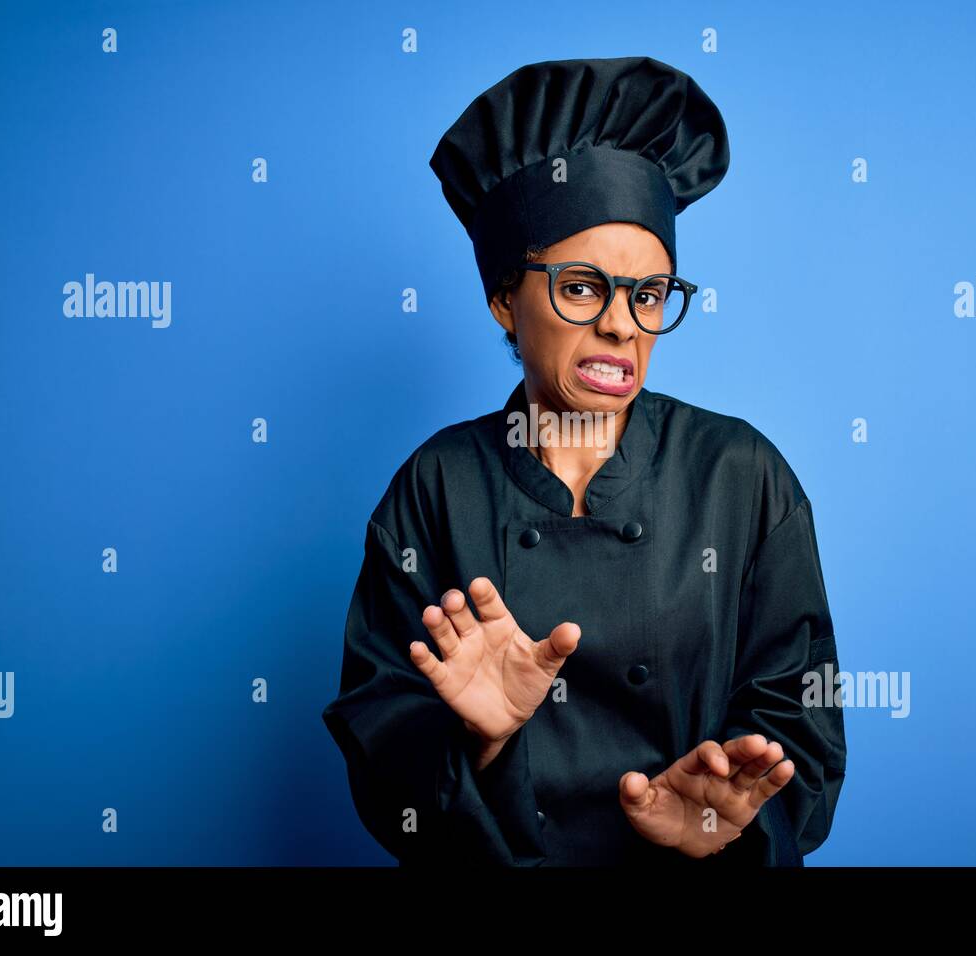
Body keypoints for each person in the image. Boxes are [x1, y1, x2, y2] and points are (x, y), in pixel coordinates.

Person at [322, 56, 847, 866]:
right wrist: (484, 742)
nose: (621, 327)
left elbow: (802, 720)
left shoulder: (742, 475)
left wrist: (719, 819)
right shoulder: (435, 487)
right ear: (504, 297)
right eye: (580, 287)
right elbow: (380, 738)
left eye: (648, 294)